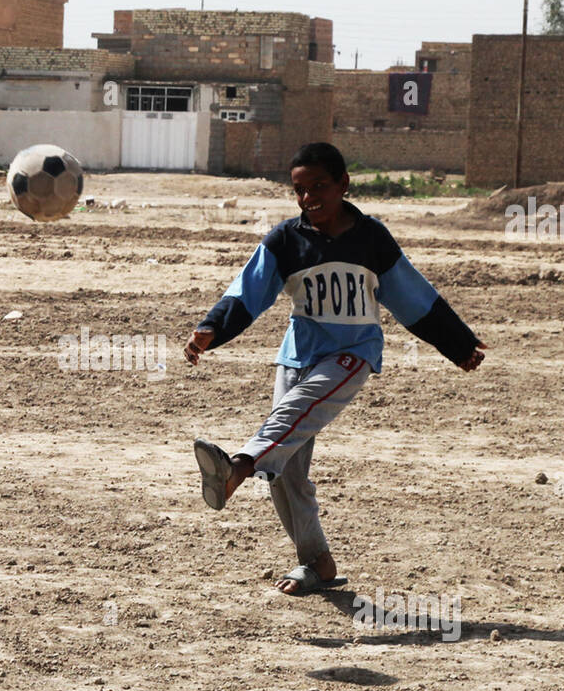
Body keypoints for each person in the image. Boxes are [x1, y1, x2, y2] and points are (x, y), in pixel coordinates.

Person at [186, 142, 485, 596]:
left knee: (289, 420)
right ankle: (317, 563)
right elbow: (248, 292)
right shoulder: (286, 240)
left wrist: (457, 342)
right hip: (298, 355)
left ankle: (239, 468)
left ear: (344, 184)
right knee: (287, 469)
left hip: (351, 355)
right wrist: (212, 328)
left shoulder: (372, 238)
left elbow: (413, 296)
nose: (308, 198)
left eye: (319, 187)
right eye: (299, 190)